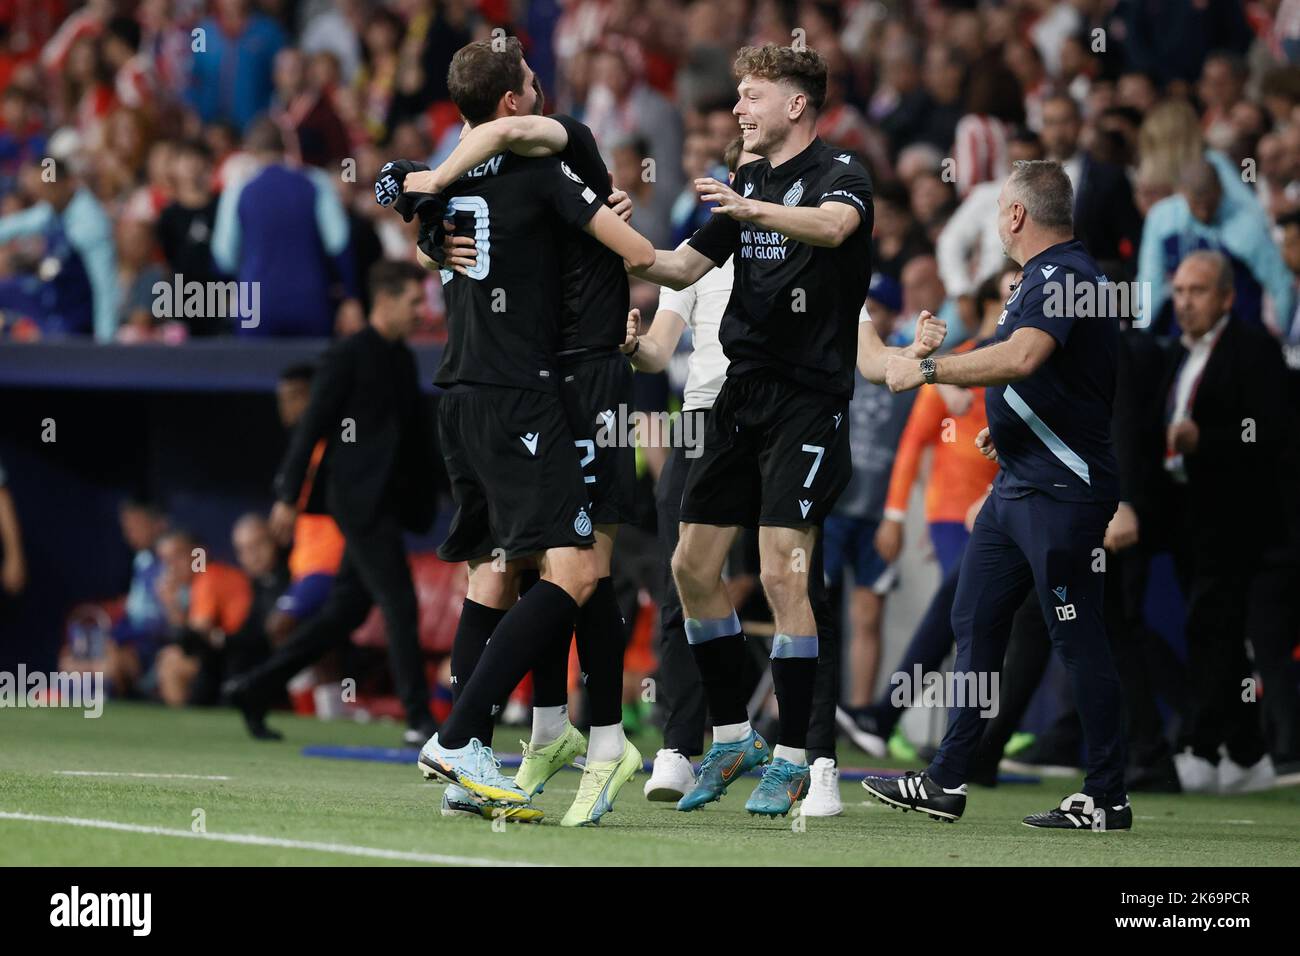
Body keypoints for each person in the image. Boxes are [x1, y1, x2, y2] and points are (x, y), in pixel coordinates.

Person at [628, 44, 941, 817]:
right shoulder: (746, 183)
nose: (738, 110)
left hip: (810, 401)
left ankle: (797, 758)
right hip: (741, 393)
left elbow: (834, 230)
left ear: (795, 105)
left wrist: (750, 209)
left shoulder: (843, 174)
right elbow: (675, 269)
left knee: (782, 573)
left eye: (750, 96)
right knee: (691, 566)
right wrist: (599, 236)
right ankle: (733, 736)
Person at [386, 37, 654, 824]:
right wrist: (714, 243)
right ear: (512, 102)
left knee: (499, 573)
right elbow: (641, 257)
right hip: (542, 388)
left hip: (463, 388)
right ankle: (526, 737)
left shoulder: (451, 184)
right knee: (578, 569)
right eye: (531, 83)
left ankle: (506, 753)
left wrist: (416, 198)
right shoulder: (544, 153)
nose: (543, 91)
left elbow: (409, 192)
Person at [868, 159, 1130, 830]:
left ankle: (1107, 795)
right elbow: (1053, 376)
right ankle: (947, 781)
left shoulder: (1066, 276)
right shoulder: (1050, 276)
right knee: (973, 624)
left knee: (1079, 639)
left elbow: (1021, 357)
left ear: (1015, 215)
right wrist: (1010, 431)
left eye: (997, 211)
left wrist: (925, 366)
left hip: (1062, 492)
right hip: (1019, 483)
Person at [224, 261, 439, 745]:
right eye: (413, 301)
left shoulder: (402, 358)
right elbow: (312, 425)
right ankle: (418, 721)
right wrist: (287, 495)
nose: (421, 311)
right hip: (359, 503)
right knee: (400, 602)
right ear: (384, 300)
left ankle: (254, 687)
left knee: (345, 613)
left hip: (389, 502)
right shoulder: (348, 355)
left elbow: (413, 441)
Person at [1159, 251, 1296, 793]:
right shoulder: (1175, 353)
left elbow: (1268, 434)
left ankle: (1201, 745)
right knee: (1214, 632)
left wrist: (1205, 441)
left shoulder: (1254, 350)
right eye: (1179, 291)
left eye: (1196, 291)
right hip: (1188, 515)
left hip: (1241, 521)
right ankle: (1246, 752)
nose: (1184, 302)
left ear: (1226, 297)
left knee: (1215, 630)